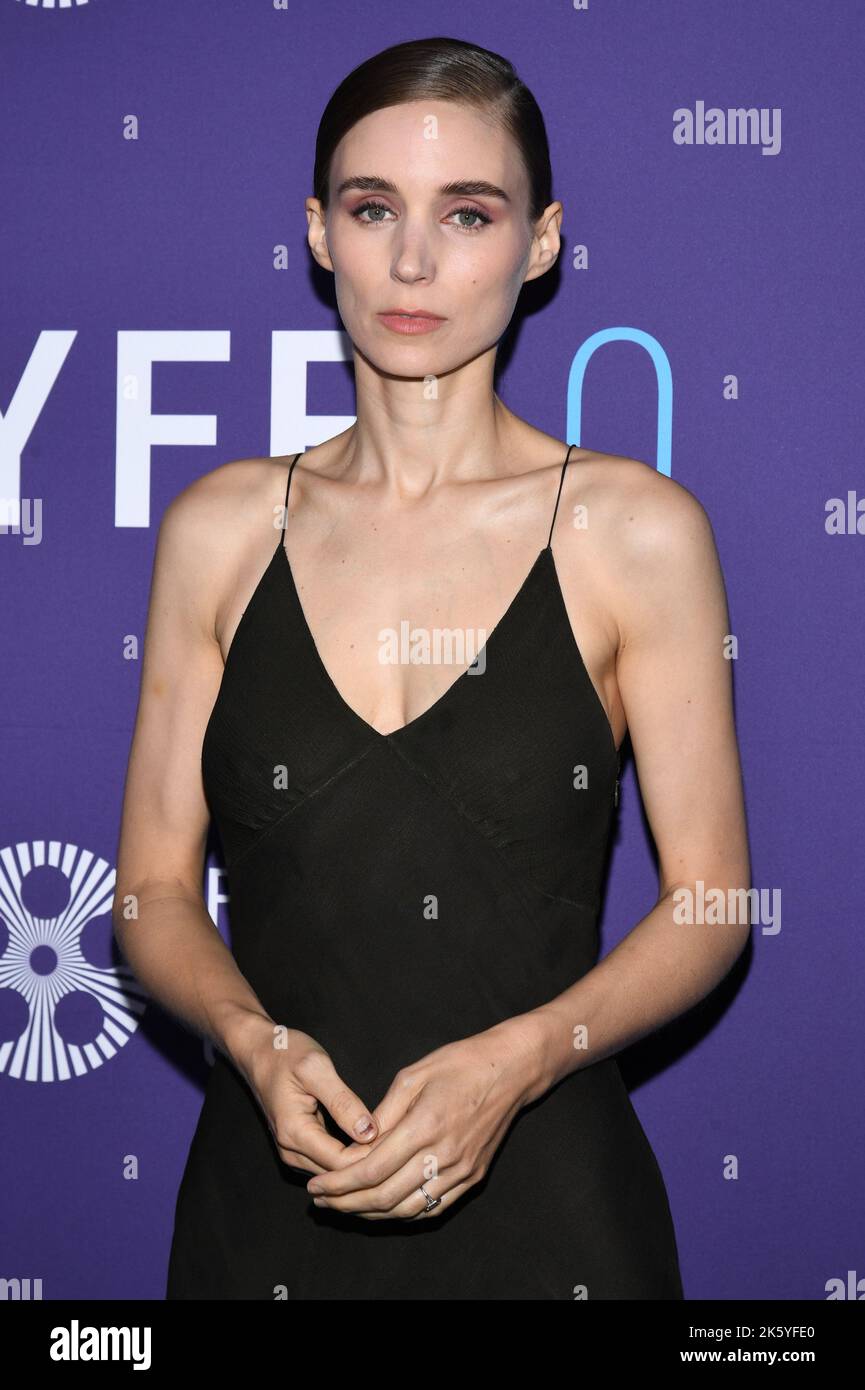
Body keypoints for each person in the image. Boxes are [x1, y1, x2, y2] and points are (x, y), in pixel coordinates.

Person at [113, 36, 750, 1300]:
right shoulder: (218, 531)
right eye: (372, 210)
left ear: (542, 239)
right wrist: (250, 1040)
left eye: (467, 213)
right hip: (263, 1214)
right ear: (318, 232)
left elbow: (712, 904)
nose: (412, 261)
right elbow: (148, 890)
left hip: (556, 1220)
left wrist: (514, 1064)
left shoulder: (636, 530)